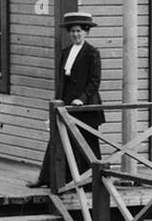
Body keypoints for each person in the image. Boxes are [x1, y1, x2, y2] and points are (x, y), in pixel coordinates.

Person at [31, 12, 105, 187]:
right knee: (57, 140)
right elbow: (62, 82)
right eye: (72, 31)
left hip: (85, 106)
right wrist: (57, 104)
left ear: (86, 32)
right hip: (66, 103)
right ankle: (47, 178)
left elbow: (94, 81)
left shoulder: (92, 53)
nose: (76, 34)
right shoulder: (65, 52)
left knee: (85, 143)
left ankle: (89, 182)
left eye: (79, 31)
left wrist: (82, 99)